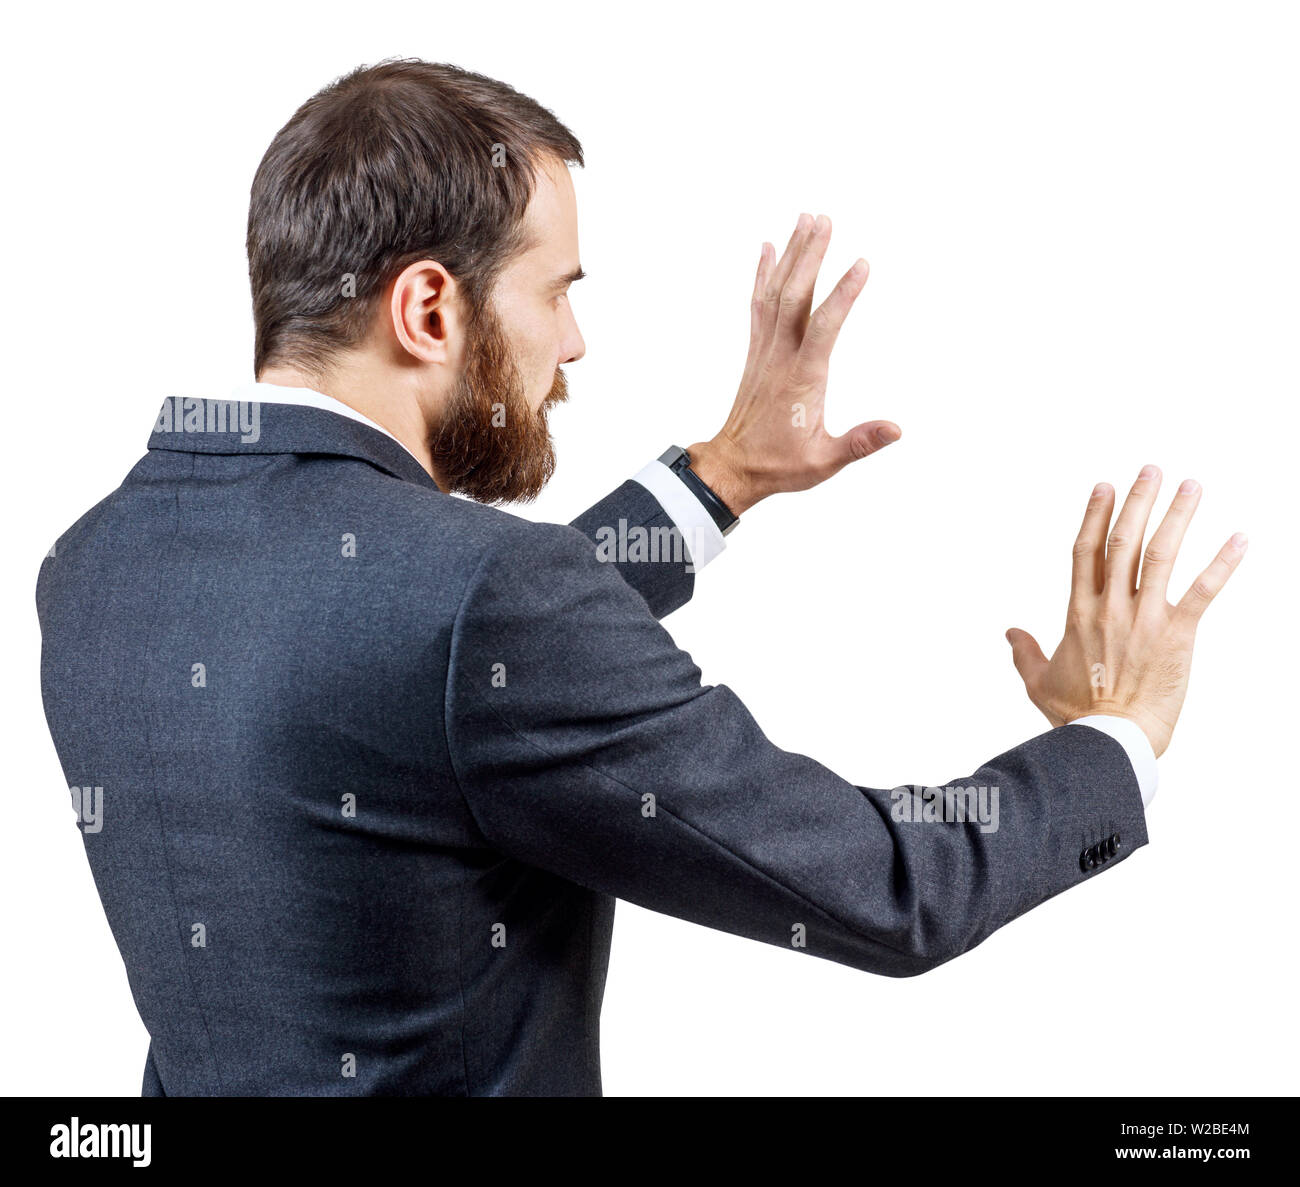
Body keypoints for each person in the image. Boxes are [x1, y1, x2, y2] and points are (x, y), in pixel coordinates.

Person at [36, 59, 1245, 1096]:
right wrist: (1112, 737)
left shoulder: (93, 561)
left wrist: (720, 475)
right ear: (426, 307)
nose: (572, 344)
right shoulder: (481, 600)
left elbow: (411, 650)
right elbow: (888, 885)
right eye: (556, 291)